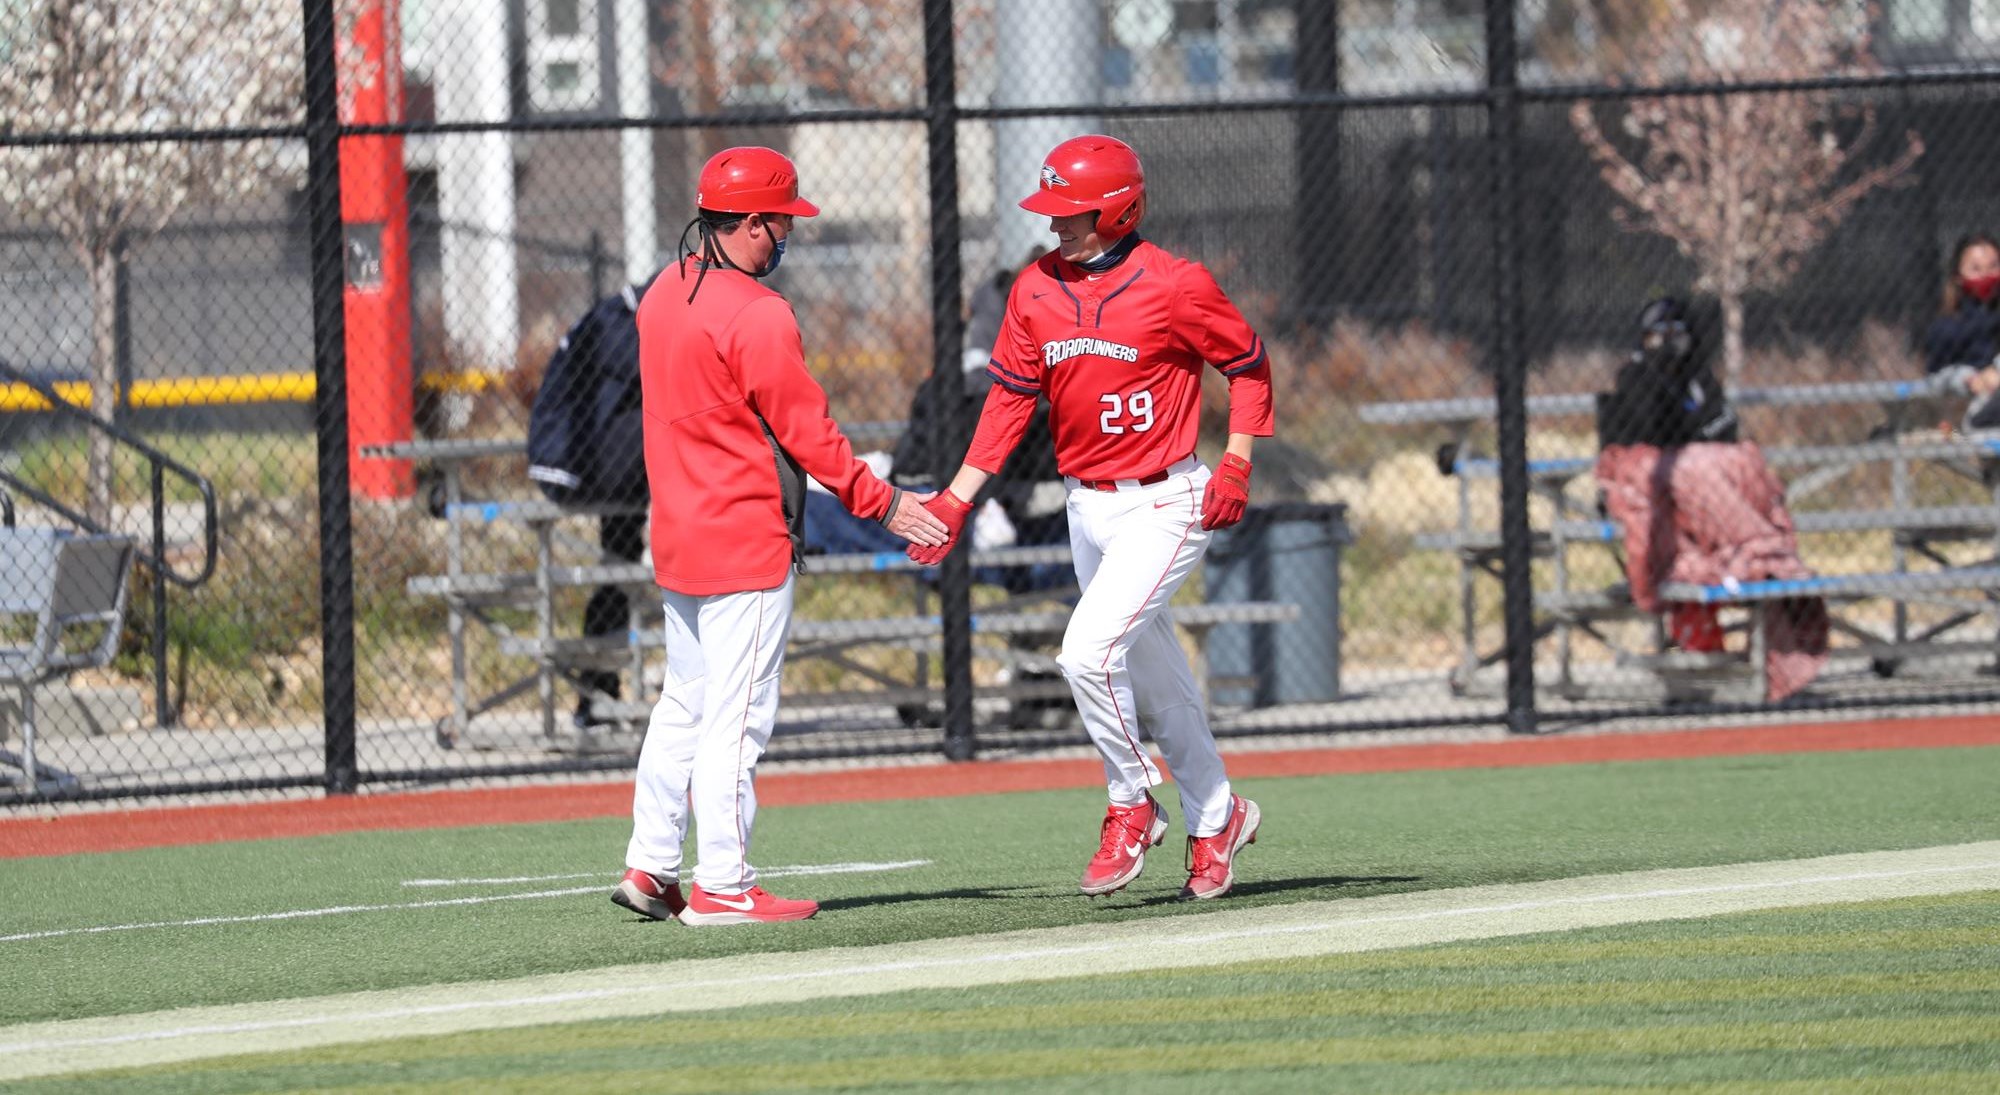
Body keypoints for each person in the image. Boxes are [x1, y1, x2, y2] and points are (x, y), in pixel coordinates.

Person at [909, 134, 1274, 901]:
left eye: (1072, 212)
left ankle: (1131, 798)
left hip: (1167, 498)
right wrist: (954, 499)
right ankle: (1218, 815)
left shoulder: (1175, 283)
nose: (1056, 226)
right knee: (1157, 680)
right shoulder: (1035, 288)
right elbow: (1009, 402)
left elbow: (1247, 363)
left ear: (1120, 208)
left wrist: (1237, 460)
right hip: (1087, 506)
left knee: (1084, 654)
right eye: (1051, 211)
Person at [612, 146, 949, 926]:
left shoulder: (663, 291)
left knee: (685, 705)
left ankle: (652, 864)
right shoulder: (760, 314)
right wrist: (885, 502)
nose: (784, 240)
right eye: (779, 224)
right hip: (745, 537)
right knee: (736, 716)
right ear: (752, 223)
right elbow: (814, 438)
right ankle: (724, 884)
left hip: (680, 534)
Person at [1593, 295, 1828, 700]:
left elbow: (1720, 429)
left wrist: (1694, 432)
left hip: (1708, 497)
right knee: (1684, 530)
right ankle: (1702, 645)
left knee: (1726, 468)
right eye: (1658, 336)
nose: (1668, 344)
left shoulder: (1699, 378)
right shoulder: (1635, 378)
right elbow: (1652, 430)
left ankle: (1759, 552)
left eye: (1676, 335)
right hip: (1664, 496)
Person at [526, 281, 651, 731]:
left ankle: (599, 693)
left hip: (618, 472)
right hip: (590, 467)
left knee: (618, 573)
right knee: (615, 573)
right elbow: (657, 367)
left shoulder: (622, 320)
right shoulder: (614, 323)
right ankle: (596, 693)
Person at [1924, 232, 2000, 429]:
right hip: (1970, 409)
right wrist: (1968, 379)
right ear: (1958, 277)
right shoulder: (1947, 327)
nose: (1986, 275)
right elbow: (1935, 375)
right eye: (1975, 269)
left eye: (1993, 266)